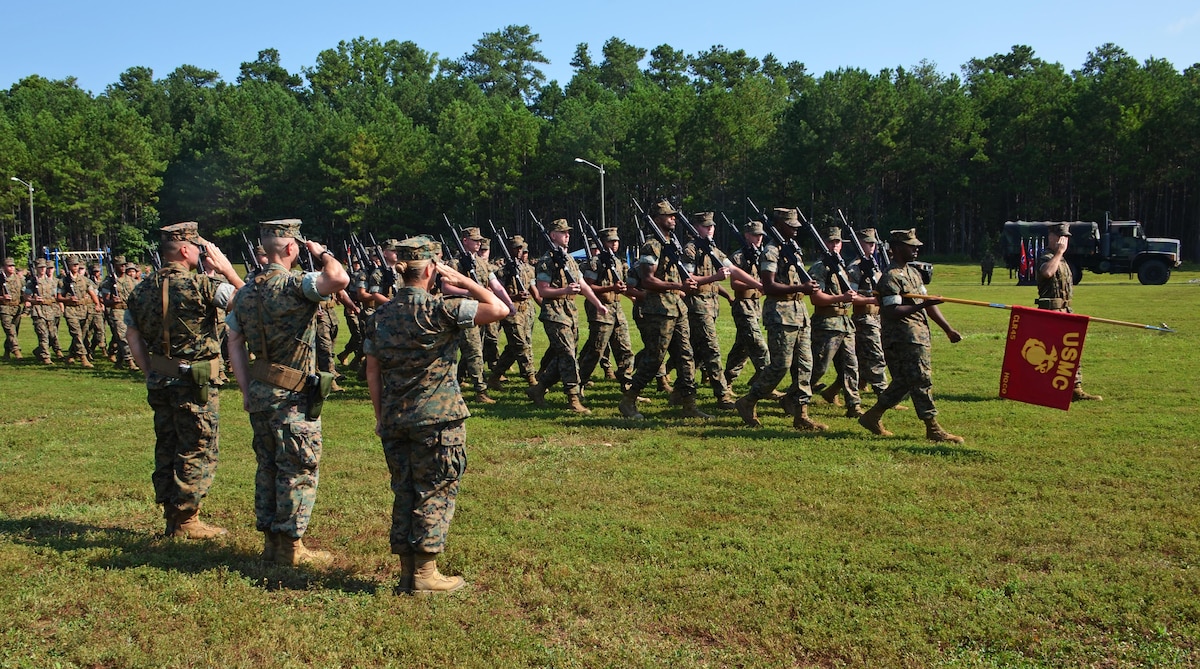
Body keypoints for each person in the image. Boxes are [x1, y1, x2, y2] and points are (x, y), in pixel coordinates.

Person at [365, 236, 509, 595]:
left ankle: (406, 573)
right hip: (437, 420)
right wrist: (464, 280)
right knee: (434, 492)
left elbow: (372, 370)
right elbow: (499, 309)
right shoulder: (442, 309)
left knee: (404, 491)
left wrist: (380, 416)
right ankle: (425, 575)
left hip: (396, 418)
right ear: (431, 269)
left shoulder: (380, 315)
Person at [226, 219, 350, 566]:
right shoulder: (298, 285)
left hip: (261, 391)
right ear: (292, 249)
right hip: (292, 396)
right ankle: (291, 548)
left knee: (267, 467)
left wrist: (245, 388)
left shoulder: (246, 292)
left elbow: (234, 341)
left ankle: (271, 542)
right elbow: (339, 279)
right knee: (298, 469)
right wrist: (323, 252)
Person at [125, 222, 245, 538]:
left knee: (167, 444)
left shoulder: (140, 289)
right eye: (197, 247)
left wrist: (150, 370)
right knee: (196, 447)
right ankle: (185, 521)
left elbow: (133, 335)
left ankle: (171, 514)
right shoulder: (202, 286)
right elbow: (250, 305)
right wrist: (227, 271)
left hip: (160, 380)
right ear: (184, 250)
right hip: (195, 384)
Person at [857, 229, 965, 442]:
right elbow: (891, 311)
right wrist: (924, 304)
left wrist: (947, 329)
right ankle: (933, 428)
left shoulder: (913, 273)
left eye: (916, 245)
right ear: (896, 249)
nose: (916, 249)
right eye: (911, 245)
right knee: (921, 379)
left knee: (904, 382)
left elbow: (928, 304)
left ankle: (872, 416)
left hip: (917, 335)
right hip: (902, 338)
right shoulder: (890, 277)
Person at [733, 208, 828, 431]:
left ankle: (801, 413)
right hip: (780, 313)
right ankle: (748, 401)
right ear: (778, 225)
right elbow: (768, 285)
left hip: (799, 312)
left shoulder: (792, 249)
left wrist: (805, 288)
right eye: (790, 225)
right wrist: (801, 287)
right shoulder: (771, 251)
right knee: (780, 365)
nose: (795, 229)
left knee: (805, 365)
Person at [618, 200, 709, 420]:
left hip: (677, 309)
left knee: (686, 356)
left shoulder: (672, 243)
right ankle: (629, 400)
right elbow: (648, 280)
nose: (674, 219)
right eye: (669, 216)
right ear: (658, 219)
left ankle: (689, 404)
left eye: (674, 215)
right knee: (654, 357)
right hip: (658, 310)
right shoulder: (652, 246)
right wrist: (679, 286)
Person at [528, 219, 606, 414]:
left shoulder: (569, 259)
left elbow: (583, 284)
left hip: (570, 312)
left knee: (564, 355)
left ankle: (538, 389)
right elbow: (542, 291)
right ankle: (573, 398)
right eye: (563, 232)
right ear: (553, 235)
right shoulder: (546, 261)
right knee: (568, 355)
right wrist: (566, 289)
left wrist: (598, 304)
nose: (567, 235)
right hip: (554, 313)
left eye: (568, 232)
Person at [808, 226, 872, 417]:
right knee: (819, 368)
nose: (835, 245)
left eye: (837, 242)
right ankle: (795, 397)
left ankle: (854, 406)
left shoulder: (843, 267)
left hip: (844, 323)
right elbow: (816, 298)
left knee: (851, 366)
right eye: (831, 242)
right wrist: (840, 298)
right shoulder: (819, 267)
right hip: (826, 324)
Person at [1036, 223, 1101, 401]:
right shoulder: (1048, 257)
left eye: (1066, 237)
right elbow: (1047, 273)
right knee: (1048, 354)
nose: (1064, 240)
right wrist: (1059, 252)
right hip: (1051, 311)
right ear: (1051, 237)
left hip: (1065, 310)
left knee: (1072, 350)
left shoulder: (1063, 260)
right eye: (1060, 236)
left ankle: (1075, 389)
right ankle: (1032, 388)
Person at [577, 227, 634, 389]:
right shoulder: (596, 263)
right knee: (596, 350)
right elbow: (587, 287)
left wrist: (624, 291)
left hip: (617, 309)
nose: (614, 244)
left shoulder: (617, 262)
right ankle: (579, 384)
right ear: (602, 243)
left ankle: (627, 385)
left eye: (616, 241)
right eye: (610, 241)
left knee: (625, 349)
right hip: (599, 310)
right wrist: (610, 289)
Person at [488, 235, 540, 388]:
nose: (519, 251)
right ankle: (531, 378)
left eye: (520, 248)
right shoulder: (502, 272)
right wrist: (514, 297)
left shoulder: (527, 269)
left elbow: (533, 290)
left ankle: (495, 376)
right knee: (520, 345)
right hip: (511, 313)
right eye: (516, 248)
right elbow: (497, 294)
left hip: (526, 312)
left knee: (513, 347)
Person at [724, 221, 769, 389]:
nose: (759, 238)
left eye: (761, 235)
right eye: (755, 235)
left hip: (756, 305)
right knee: (758, 345)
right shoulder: (739, 257)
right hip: (743, 305)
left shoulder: (761, 255)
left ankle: (726, 381)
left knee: (742, 348)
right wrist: (756, 284)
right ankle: (766, 383)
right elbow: (735, 284)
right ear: (747, 235)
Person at [58, 259, 100, 368]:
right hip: (71, 311)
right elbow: (58, 297)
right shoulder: (63, 281)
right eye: (73, 265)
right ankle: (83, 357)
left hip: (83, 310)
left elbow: (91, 292)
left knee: (82, 334)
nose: (75, 267)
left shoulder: (84, 280)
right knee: (76, 334)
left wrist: (97, 304)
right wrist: (68, 299)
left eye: (77, 265)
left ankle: (71, 355)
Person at [25, 259, 60, 364]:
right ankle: (46, 357)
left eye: (44, 267)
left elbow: (56, 296)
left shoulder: (51, 282)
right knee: (43, 334)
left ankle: (39, 351)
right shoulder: (32, 282)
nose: (43, 269)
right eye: (40, 267)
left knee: (52, 335)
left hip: (49, 310)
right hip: (38, 311)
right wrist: (33, 300)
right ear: (36, 269)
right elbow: (26, 297)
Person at [1, 257, 24, 359]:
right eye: (9, 266)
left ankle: (7, 350)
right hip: (4, 308)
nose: (11, 268)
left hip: (17, 308)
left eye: (13, 266)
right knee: (10, 330)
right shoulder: (0, 279)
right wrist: (2, 297)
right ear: (4, 267)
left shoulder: (19, 279)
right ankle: (16, 350)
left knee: (14, 331)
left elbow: (24, 293)